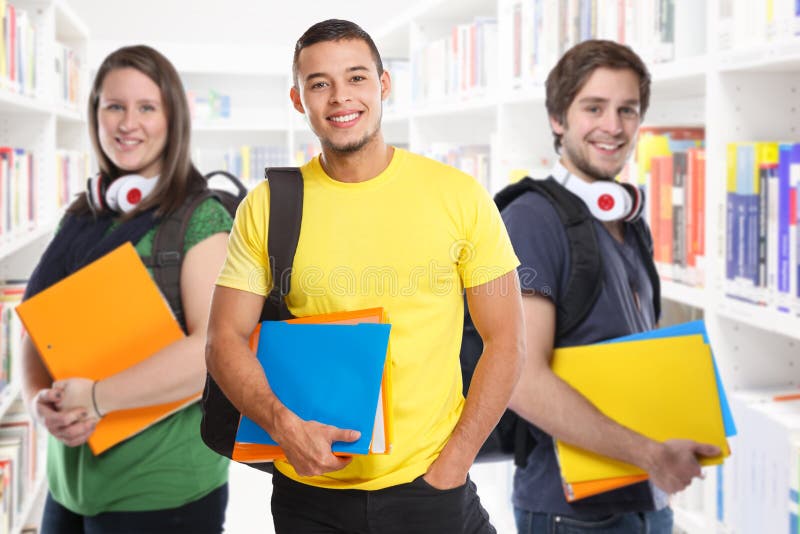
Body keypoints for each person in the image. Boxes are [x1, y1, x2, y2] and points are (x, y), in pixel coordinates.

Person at [206, 18, 525, 534]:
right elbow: (223, 340)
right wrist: (284, 428)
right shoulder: (266, 208)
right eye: (319, 84)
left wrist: (455, 462)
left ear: (383, 85)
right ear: (297, 100)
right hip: (306, 491)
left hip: (432, 487)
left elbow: (507, 339)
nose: (339, 97)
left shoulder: (458, 195)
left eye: (356, 77)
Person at [497, 39, 721, 533]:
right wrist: (649, 453)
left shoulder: (627, 218)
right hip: (573, 512)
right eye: (593, 108)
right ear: (558, 119)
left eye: (628, 110)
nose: (613, 127)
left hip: (644, 496)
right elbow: (521, 379)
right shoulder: (532, 220)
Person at [21, 45, 231, 533]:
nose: (127, 123)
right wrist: (37, 403)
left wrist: (96, 399)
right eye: (114, 106)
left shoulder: (200, 219)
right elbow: (39, 325)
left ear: (173, 118)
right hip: (69, 489)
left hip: (162, 490)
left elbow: (212, 348)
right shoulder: (81, 215)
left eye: (146, 108)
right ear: (95, 114)